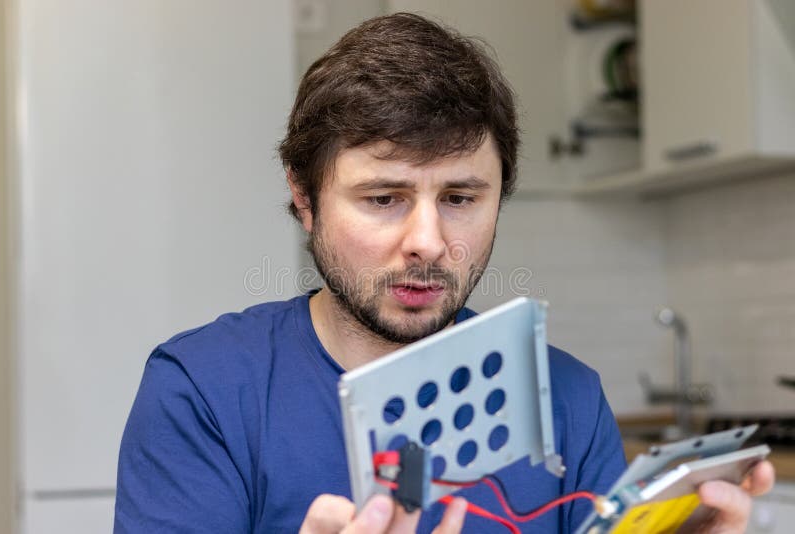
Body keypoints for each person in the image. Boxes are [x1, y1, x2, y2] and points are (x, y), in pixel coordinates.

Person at [114, 12, 774, 534]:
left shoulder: (567, 399)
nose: (427, 243)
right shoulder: (201, 393)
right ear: (305, 198)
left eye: (460, 199)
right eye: (383, 199)